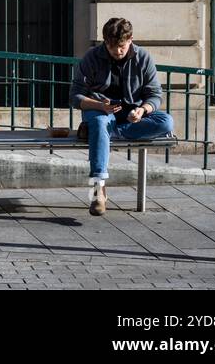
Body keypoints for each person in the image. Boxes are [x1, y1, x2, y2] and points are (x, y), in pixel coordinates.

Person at [70, 17, 174, 216]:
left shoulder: (143, 57)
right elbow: (75, 96)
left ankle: (104, 134)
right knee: (100, 122)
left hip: (131, 112)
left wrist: (142, 110)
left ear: (131, 40)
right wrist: (99, 104)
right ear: (104, 42)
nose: (117, 51)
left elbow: (155, 95)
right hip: (100, 109)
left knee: (166, 122)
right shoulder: (92, 57)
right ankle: (98, 189)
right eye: (111, 47)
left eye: (122, 46)